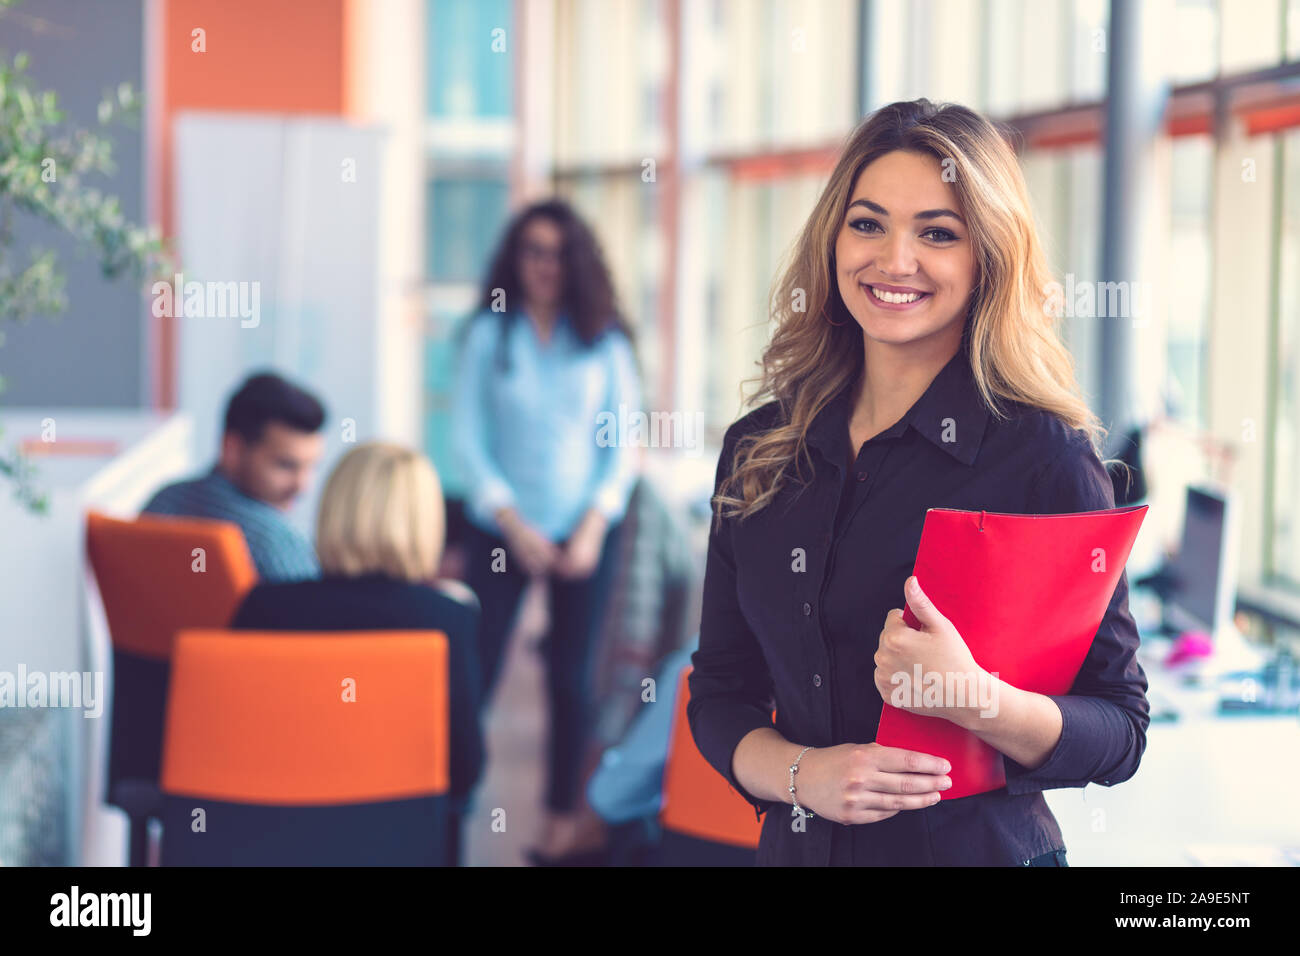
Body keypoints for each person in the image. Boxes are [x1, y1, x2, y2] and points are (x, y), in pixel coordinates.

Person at [688, 98, 1150, 866]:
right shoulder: (759, 447)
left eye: (937, 233)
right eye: (868, 223)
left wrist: (974, 697)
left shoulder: (1042, 457)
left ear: (986, 260)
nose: (894, 260)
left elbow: (1120, 730)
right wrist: (806, 775)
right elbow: (720, 691)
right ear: (834, 237)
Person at [451, 197, 641, 865]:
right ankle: (453, 807)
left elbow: (622, 445)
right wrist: (510, 522)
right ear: (514, 258)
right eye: (532, 251)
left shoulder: (604, 341)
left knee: (571, 681)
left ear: (576, 261)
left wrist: (591, 527)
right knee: (476, 671)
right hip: (502, 529)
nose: (545, 265)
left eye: (558, 253)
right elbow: (467, 439)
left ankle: (561, 825)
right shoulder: (488, 335)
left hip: (584, 530)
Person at [229, 442, 485, 866]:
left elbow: (231, 744)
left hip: (273, 842)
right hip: (397, 843)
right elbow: (465, 769)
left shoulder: (261, 607)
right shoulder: (446, 620)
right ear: (425, 525)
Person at [142, 371, 325, 582]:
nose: (302, 486)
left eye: (311, 467)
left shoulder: (162, 502)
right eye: (285, 465)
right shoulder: (276, 542)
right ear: (233, 449)